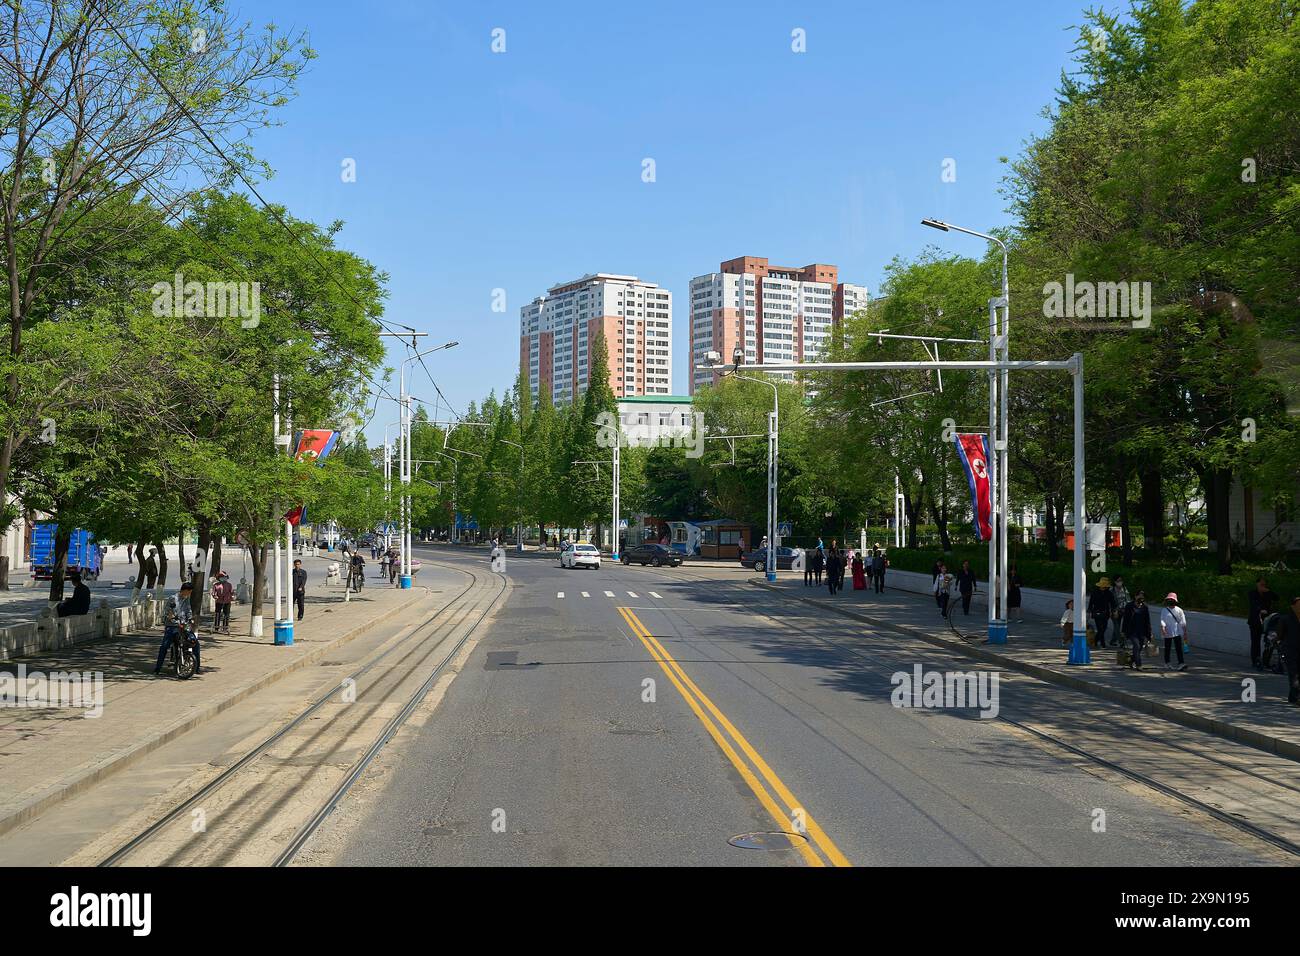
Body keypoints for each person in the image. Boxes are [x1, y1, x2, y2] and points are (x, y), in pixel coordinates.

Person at [154, 581, 200, 676]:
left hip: (184, 626)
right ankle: (157, 668)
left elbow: (188, 610)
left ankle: (197, 668)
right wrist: (173, 619)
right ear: (184, 590)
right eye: (189, 592)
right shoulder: (173, 599)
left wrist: (190, 618)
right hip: (172, 626)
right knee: (164, 646)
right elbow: (168, 612)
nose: (189, 594)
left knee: (195, 643)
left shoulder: (186, 599)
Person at [1247, 576, 1278, 669]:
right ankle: (1255, 660)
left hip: (1267, 621)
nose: (1262, 586)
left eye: (1264, 584)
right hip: (1255, 620)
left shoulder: (1268, 593)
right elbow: (1253, 603)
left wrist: (1268, 591)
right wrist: (1260, 609)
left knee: (1270, 641)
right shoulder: (1252, 593)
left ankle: (1266, 660)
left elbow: (1277, 598)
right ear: (1257, 584)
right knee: (1255, 641)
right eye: (1261, 584)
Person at [1275, 596, 1300, 704]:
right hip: (1290, 650)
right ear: (1292, 606)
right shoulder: (1285, 619)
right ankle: (1297, 697)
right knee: (1293, 674)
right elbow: (1279, 635)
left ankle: (1292, 697)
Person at [1120, 590, 1152, 670]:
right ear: (1135, 596)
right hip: (1131, 631)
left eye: (1143, 596)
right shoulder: (1129, 606)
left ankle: (1131, 660)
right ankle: (1139, 665)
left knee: (1139, 648)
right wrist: (1123, 631)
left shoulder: (1145, 607)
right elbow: (1126, 619)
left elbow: (1147, 621)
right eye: (1140, 596)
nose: (1141, 598)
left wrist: (1149, 633)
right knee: (1137, 646)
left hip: (1142, 631)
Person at [1159, 591, 1188, 671]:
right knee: (1167, 648)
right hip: (1168, 631)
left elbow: (1183, 622)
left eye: (1172, 600)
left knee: (1178, 648)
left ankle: (1181, 663)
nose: (1171, 601)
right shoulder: (1164, 610)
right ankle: (1167, 662)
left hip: (1177, 631)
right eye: (1169, 600)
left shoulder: (1179, 610)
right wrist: (1163, 628)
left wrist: (1185, 632)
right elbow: (1162, 620)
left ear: (1175, 601)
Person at [1088, 577, 1117, 647]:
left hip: (1105, 613)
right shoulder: (1094, 592)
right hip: (1096, 612)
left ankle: (1095, 641)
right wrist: (1089, 611)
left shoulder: (1109, 593)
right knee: (1099, 628)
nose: (1103, 587)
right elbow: (1091, 602)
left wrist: (1114, 610)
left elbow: (1113, 603)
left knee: (1103, 628)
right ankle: (1102, 644)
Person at [211, 570, 233, 634]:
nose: (223, 578)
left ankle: (225, 627)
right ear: (219, 578)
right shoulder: (216, 585)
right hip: (219, 601)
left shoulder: (229, 585)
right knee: (217, 614)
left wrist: (232, 596)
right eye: (222, 577)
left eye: (225, 577)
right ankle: (216, 627)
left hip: (227, 601)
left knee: (226, 614)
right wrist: (215, 596)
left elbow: (231, 592)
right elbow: (213, 593)